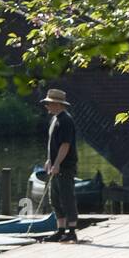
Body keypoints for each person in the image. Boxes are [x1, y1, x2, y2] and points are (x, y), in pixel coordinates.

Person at [42, 89, 80, 242]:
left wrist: (57, 163)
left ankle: (72, 231)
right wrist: (49, 161)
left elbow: (65, 145)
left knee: (67, 198)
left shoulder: (66, 120)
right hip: (55, 166)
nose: (47, 106)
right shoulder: (55, 119)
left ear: (57, 104)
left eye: (49, 103)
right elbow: (53, 145)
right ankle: (60, 230)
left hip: (65, 167)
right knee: (55, 199)